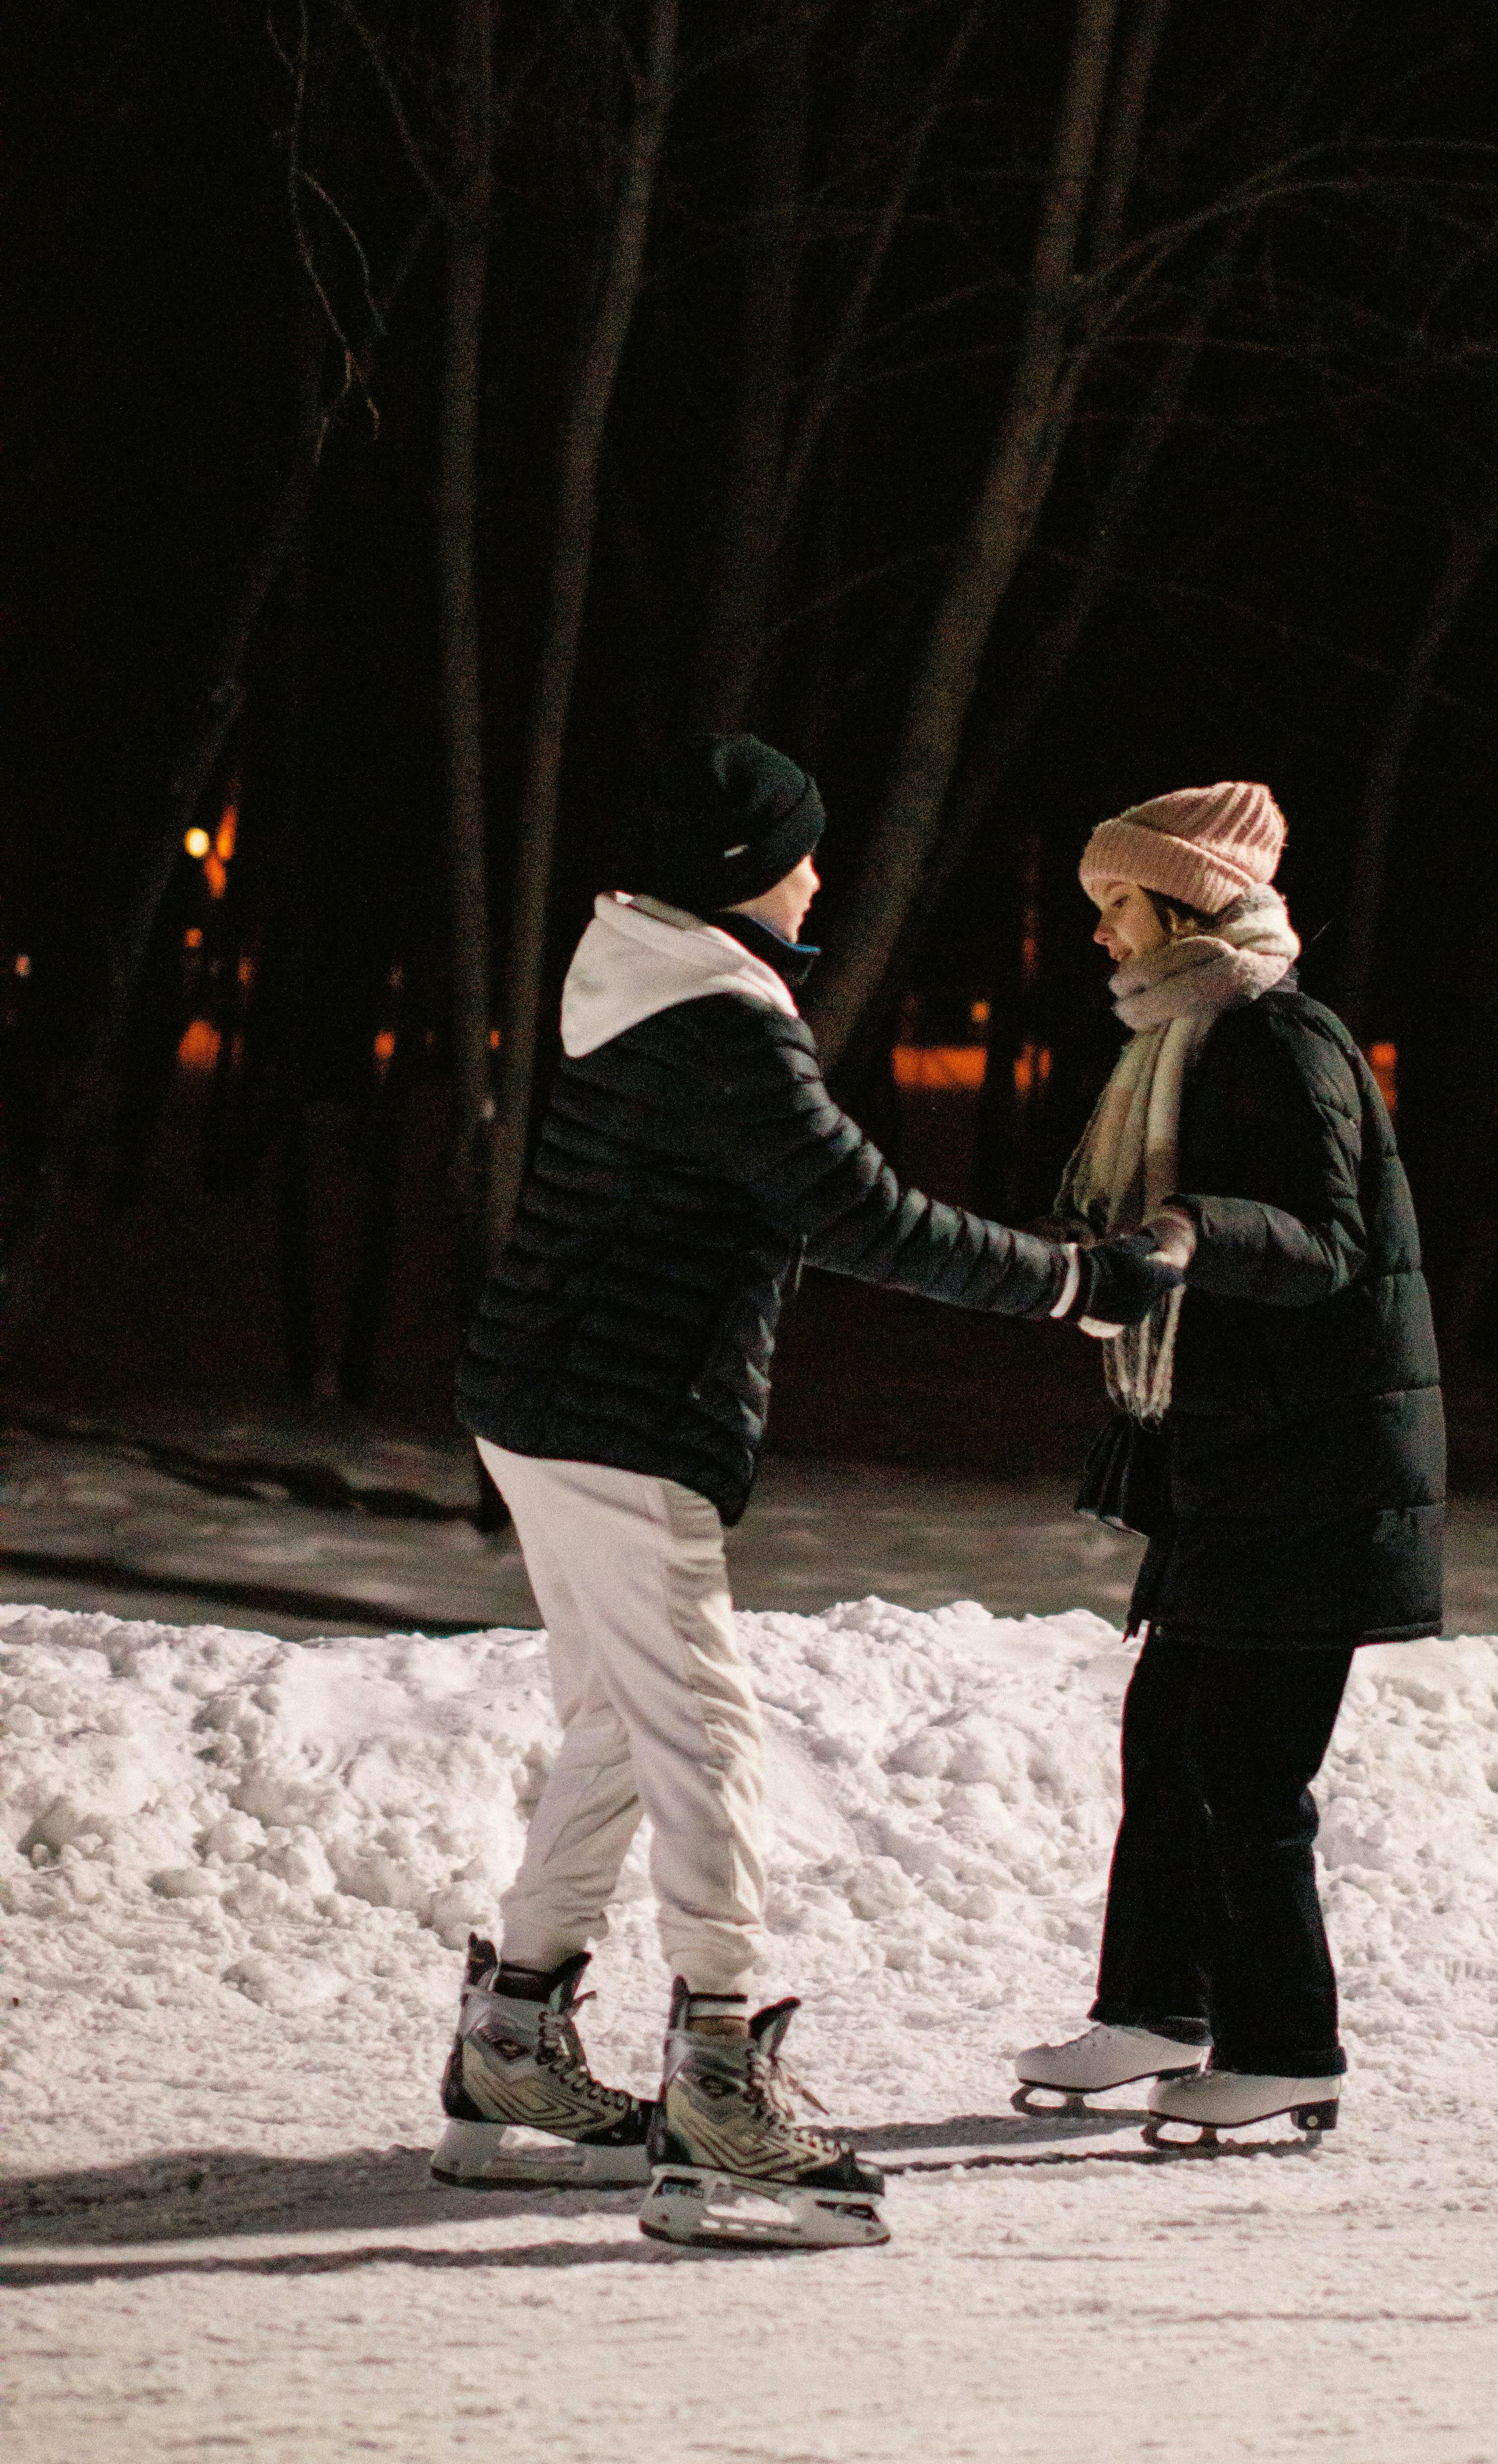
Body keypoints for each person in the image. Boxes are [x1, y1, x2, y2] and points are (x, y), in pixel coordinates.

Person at [438, 733, 1182, 2249]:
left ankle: (514, 2043)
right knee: (704, 1733)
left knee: (623, 1721)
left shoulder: (639, 978)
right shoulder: (717, 1023)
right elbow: (864, 1214)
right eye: (799, 854)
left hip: (549, 1401)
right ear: (738, 875)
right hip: (620, 1420)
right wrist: (1081, 1284)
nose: (820, 877)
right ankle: (719, 2084)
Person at [1014, 781, 1444, 2142]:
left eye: (1117, 905)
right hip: (1239, 1464)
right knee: (1170, 1745)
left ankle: (1289, 2048)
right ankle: (1159, 2009)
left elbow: (1328, 1247)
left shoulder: (1282, 1038)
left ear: (1183, 904)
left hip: (1317, 1471)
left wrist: (1194, 1228)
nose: (1100, 935)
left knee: (1248, 1771)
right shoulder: (1188, 1041)